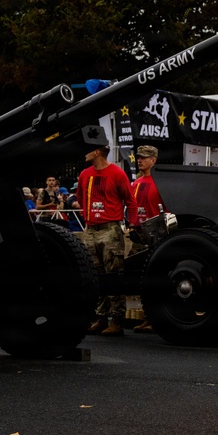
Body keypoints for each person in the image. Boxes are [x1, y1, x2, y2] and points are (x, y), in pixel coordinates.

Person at [76, 144, 138, 337]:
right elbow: (78, 197)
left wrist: (133, 224)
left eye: (88, 150)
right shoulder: (85, 174)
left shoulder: (117, 174)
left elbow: (130, 200)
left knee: (114, 273)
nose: (84, 153)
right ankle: (100, 318)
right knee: (95, 274)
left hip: (110, 228)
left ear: (97, 152)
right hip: (91, 229)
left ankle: (117, 320)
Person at [130, 145, 166, 333]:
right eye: (139, 157)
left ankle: (156, 317)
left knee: (156, 278)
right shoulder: (135, 184)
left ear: (154, 160)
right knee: (139, 278)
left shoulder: (161, 182)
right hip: (139, 235)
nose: (140, 160)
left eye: (144, 157)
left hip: (157, 235)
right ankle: (146, 316)